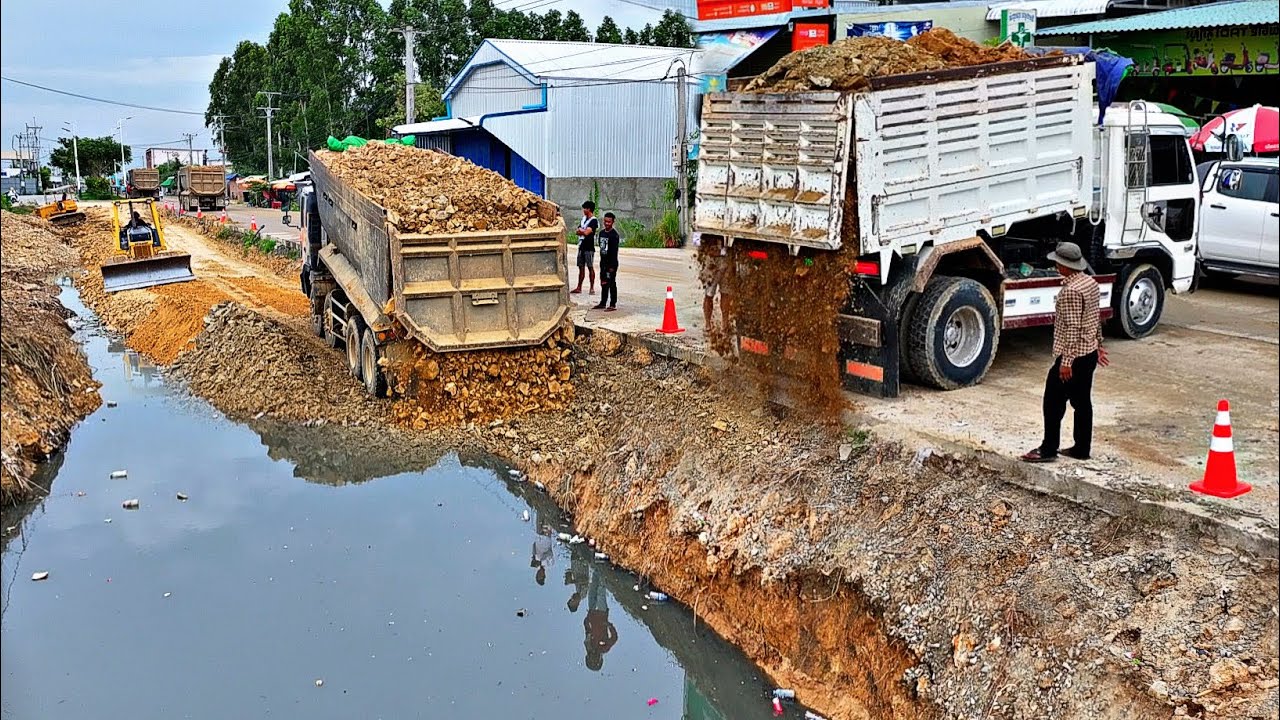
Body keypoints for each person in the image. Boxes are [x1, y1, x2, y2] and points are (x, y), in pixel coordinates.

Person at [1022, 242, 1109, 463]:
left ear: (1063, 265)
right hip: (1088, 353)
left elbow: (1072, 328)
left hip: (1074, 357)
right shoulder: (1090, 283)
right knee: (1082, 403)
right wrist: (1098, 344)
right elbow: (1094, 316)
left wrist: (1066, 362)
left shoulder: (1070, 291)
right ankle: (1082, 448)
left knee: (1052, 402)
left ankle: (1048, 448)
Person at [583, 569, 618, 671]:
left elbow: (587, 630)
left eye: (590, 659)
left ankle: (596, 569)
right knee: (601, 592)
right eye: (594, 659)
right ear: (599, 659)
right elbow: (614, 638)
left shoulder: (589, 645)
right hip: (602, 614)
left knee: (592, 589)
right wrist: (609, 625)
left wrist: (586, 621)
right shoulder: (604, 648)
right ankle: (603, 571)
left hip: (592, 612)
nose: (592, 657)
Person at [698, 234, 732, 335]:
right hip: (713, 260)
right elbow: (696, 239)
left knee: (725, 293)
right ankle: (709, 325)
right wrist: (706, 250)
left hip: (725, 258)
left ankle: (724, 325)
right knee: (710, 294)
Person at [593, 212, 620, 311]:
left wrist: (612, 266)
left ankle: (612, 304)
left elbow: (614, 252)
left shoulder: (614, 235)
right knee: (603, 282)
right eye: (605, 221)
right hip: (603, 263)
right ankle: (603, 302)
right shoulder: (601, 233)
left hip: (611, 264)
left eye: (609, 222)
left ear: (613, 222)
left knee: (611, 283)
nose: (607, 223)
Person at [571, 201, 598, 295]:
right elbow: (579, 231)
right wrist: (583, 231)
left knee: (590, 267)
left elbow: (586, 232)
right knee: (581, 267)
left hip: (589, 247)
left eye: (585, 208)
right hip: (581, 246)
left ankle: (592, 288)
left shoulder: (594, 221)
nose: (583, 210)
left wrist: (582, 231)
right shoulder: (583, 220)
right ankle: (579, 287)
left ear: (589, 209)